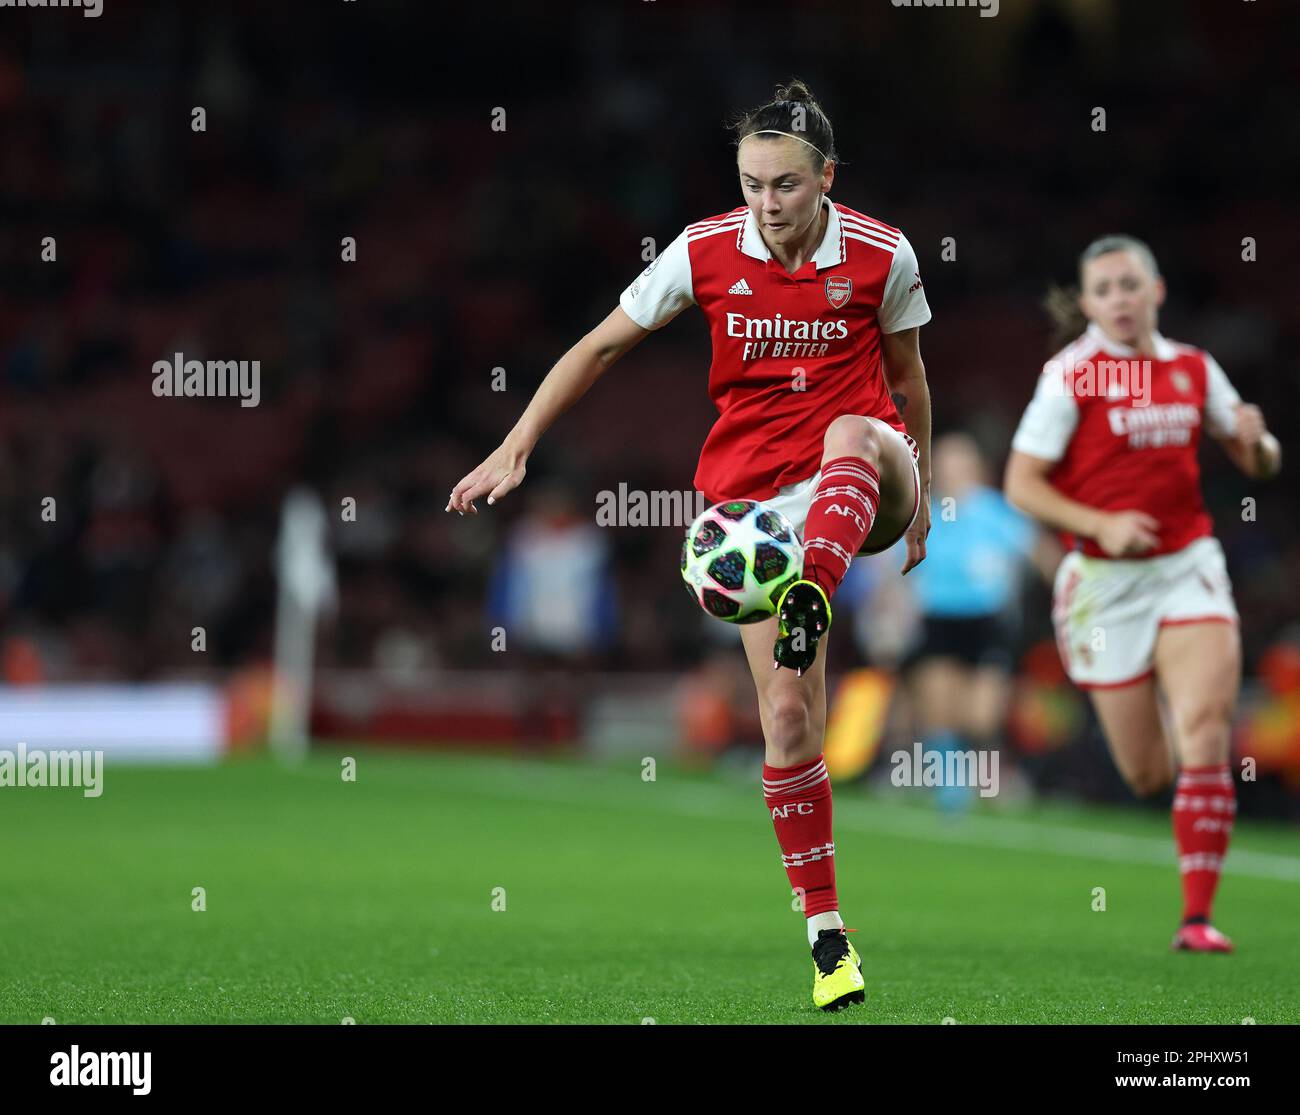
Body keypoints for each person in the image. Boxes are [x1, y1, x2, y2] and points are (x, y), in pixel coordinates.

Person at [448, 79, 933, 1009]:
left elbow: (907, 376)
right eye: (751, 183)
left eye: (785, 185)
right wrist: (518, 444)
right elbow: (598, 347)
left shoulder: (883, 254)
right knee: (790, 725)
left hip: (869, 462)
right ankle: (829, 937)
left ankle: (813, 587)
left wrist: (922, 499)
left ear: (826, 176)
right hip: (757, 509)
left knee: (850, 437)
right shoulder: (705, 251)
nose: (765, 203)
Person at [1005, 234, 1282, 953]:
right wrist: (1101, 522)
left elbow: (1259, 458)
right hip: (1105, 585)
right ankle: (1163, 730)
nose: (1120, 299)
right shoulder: (1071, 376)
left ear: (1156, 290)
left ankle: (1197, 918)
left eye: (1131, 284)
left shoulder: (1194, 366)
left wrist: (1258, 443)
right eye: (1104, 289)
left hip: (1187, 565)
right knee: (1147, 770)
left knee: (1207, 729)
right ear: (1088, 302)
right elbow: (1021, 484)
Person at [901, 432, 1049, 811]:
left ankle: (992, 776)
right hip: (938, 619)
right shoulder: (923, 512)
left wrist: (1074, 590)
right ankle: (951, 790)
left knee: (981, 718)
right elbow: (897, 569)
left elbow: (1040, 552)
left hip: (986, 622)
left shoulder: (994, 512)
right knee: (939, 709)